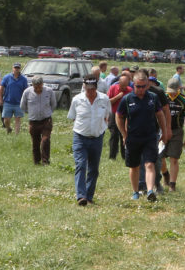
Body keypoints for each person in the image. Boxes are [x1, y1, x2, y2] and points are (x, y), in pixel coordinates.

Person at [116, 69, 170, 201]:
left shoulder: (153, 98)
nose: (141, 89)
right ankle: (136, 191)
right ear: (133, 85)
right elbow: (119, 116)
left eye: (144, 86)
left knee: (150, 164)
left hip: (150, 136)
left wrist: (164, 131)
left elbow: (160, 115)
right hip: (133, 137)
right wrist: (124, 134)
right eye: (138, 86)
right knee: (134, 167)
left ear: (147, 85)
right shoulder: (127, 99)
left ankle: (150, 191)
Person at [67, 76, 110, 206]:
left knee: (94, 168)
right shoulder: (77, 100)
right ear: (84, 87)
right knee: (81, 165)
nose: (90, 92)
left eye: (92, 89)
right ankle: (81, 196)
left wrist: (101, 129)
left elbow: (107, 116)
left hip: (97, 138)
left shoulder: (104, 99)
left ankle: (89, 196)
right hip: (80, 137)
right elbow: (72, 117)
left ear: (96, 88)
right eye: (87, 89)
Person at [163, 78, 185, 192]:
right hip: (163, 131)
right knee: (160, 158)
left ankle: (172, 184)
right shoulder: (163, 98)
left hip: (177, 131)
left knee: (174, 158)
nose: (172, 93)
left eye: (174, 90)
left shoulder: (184, 100)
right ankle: (165, 174)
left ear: (179, 89)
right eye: (170, 90)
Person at [21, 77, 57, 165]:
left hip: (46, 120)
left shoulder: (49, 91)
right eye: (35, 87)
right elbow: (23, 106)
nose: (37, 89)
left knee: (45, 140)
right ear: (32, 85)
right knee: (35, 142)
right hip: (33, 121)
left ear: (42, 84)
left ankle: (45, 161)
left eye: (39, 87)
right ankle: (36, 161)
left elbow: (53, 104)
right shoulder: (27, 92)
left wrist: (48, 113)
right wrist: (30, 113)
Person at [107, 71, 132, 160]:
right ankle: (112, 156)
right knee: (114, 134)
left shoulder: (130, 90)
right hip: (114, 114)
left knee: (124, 134)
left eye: (126, 85)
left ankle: (124, 156)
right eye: (122, 86)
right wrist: (117, 97)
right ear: (119, 83)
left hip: (125, 115)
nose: (124, 88)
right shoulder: (113, 88)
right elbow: (107, 102)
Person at [0, 63, 29, 134]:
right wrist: (0, 98)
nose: (16, 69)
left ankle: (16, 135)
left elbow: (26, 91)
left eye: (18, 68)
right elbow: (1, 88)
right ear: (13, 68)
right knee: (6, 119)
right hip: (8, 102)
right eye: (15, 68)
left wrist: (26, 101)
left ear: (20, 69)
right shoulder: (7, 77)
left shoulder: (23, 79)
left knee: (17, 119)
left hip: (19, 103)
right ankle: (8, 128)